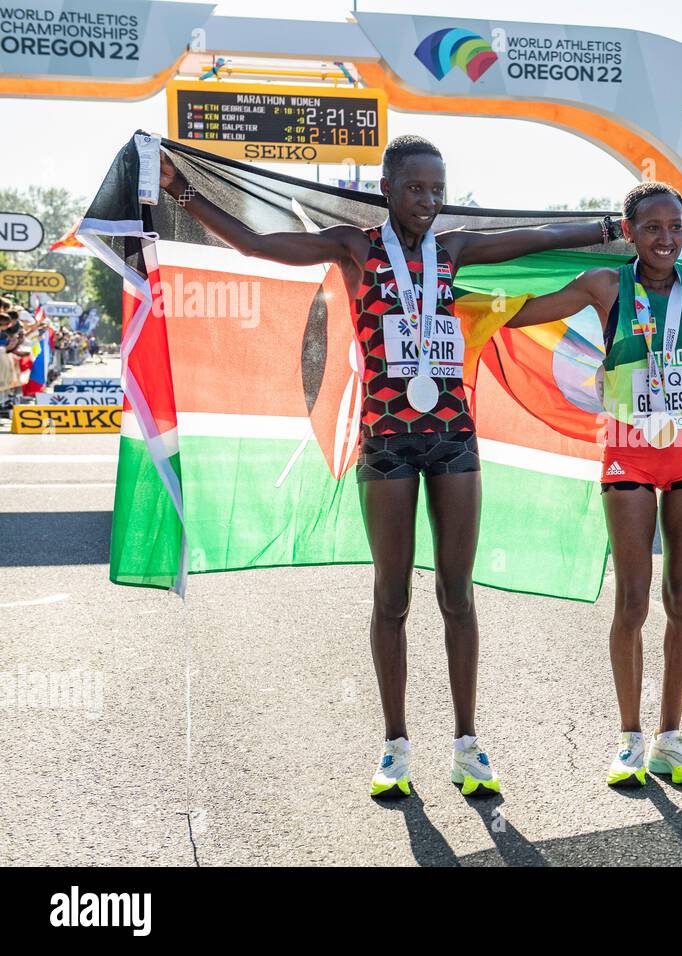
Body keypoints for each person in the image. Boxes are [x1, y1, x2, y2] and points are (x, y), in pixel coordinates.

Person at [159, 135, 616, 798]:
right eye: (416, 188)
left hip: (454, 438)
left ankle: (467, 745)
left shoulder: (453, 249)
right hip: (387, 444)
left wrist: (608, 226)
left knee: (457, 595)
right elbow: (257, 245)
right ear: (388, 189)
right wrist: (182, 193)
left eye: (438, 188)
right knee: (391, 598)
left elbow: (533, 236)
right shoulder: (353, 246)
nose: (429, 201)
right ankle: (395, 747)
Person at [509, 181, 682, 787]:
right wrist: (460, 300)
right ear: (629, 232)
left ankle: (670, 738)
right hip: (627, 453)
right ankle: (629, 739)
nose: (666, 239)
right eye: (652, 227)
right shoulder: (605, 286)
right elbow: (528, 311)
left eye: (675, 226)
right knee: (632, 600)